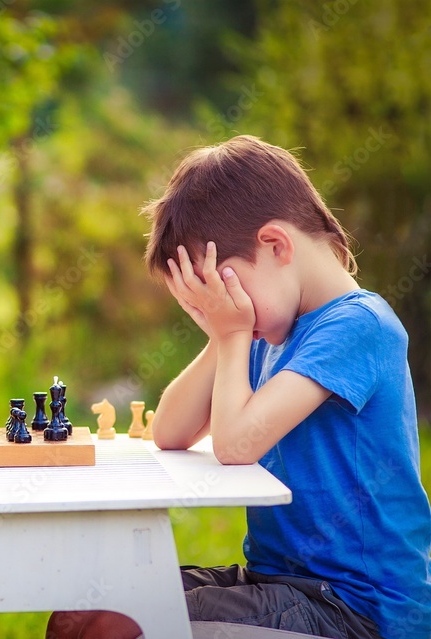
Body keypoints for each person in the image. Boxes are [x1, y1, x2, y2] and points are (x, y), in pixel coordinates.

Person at [48, 135, 431, 639]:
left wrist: (232, 333)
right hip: (285, 585)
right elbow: (171, 433)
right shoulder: (270, 327)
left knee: (114, 627)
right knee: (82, 613)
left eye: (225, 289)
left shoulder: (358, 325)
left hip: (357, 608)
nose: (228, 311)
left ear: (275, 245)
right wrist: (220, 334)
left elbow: (235, 445)